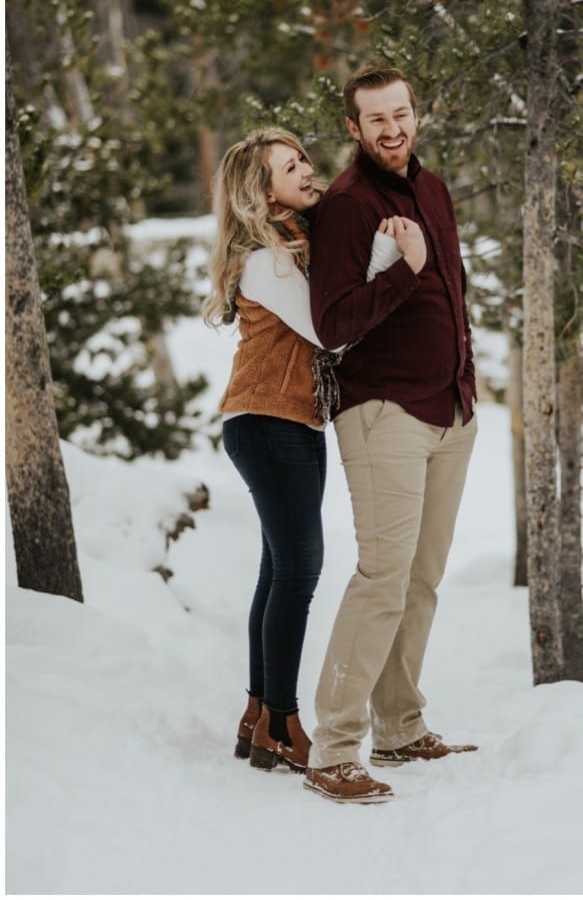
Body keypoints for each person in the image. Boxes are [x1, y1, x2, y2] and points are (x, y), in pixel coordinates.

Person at [303, 65, 479, 805]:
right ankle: (334, 748)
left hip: (449, 407)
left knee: (421, 578)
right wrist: (404, 271)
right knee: (382, 577)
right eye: (376, 119)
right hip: (384, 413)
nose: (392, 128)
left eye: (401, 113)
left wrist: (466, 385)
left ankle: (401, 725)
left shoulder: (431, 189)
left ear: (416, 114)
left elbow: (456, 287)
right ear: (353, 127)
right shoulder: (347, 206)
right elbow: (332, 324)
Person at [202, 126, 331, 775]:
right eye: (290, 165)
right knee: (301, 571)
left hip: (283, 424)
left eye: (304, 158)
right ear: (263, 190)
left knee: (279, 570)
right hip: (270, 423)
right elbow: (328, 330)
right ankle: (282, 721)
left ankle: (258, 712)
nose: (307, 169)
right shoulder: (269, 260)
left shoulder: (285, 250)